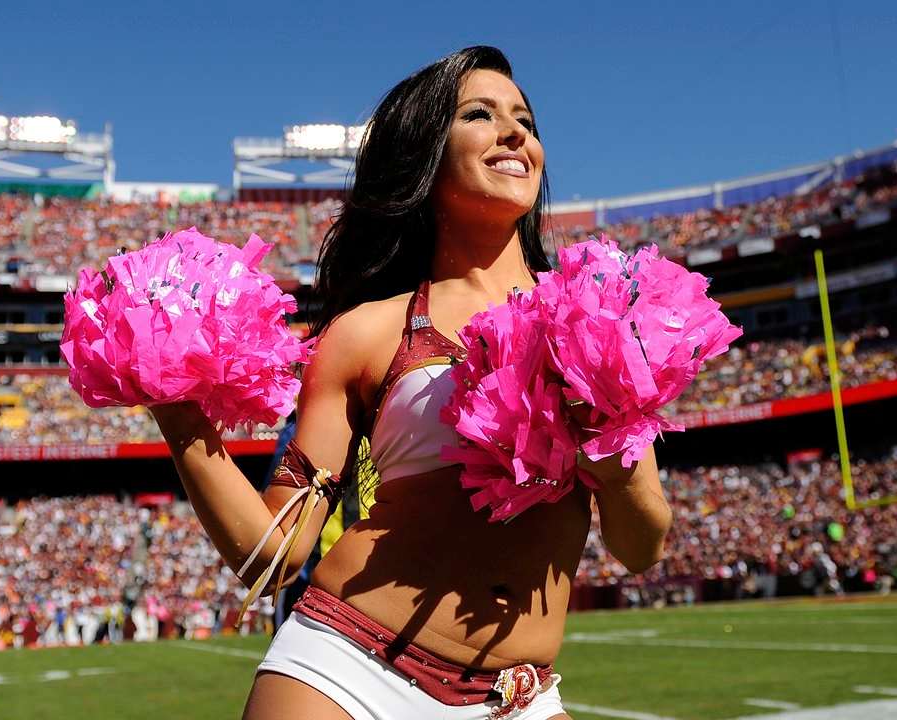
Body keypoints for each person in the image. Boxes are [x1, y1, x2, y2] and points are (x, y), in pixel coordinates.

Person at [149, 46, 670, 720]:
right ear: (425, 152)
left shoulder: (602, 316)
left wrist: (604, 440)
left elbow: (639, 546)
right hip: (344, 673)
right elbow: (276, 557)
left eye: (526, 121)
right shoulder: (365, 334)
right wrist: (176, 408)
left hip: (520, 700)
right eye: (480, 115)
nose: (516, 134)